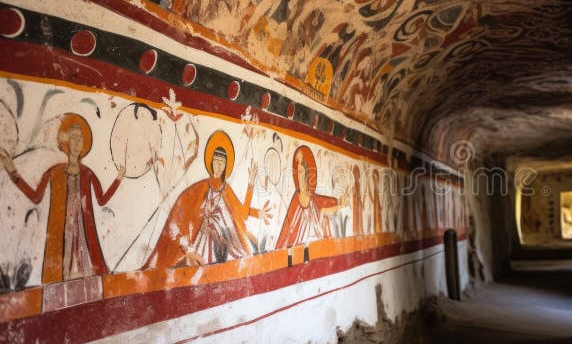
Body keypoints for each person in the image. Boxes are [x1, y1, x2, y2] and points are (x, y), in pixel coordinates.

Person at [0, 113, 125, 283]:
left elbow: (102, 200)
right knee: (60, 281)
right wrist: (13, 172)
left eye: (80, 138)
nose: (77, 142)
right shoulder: (55, 171)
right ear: (66, 142)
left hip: (84, 238)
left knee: (88, 281)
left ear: (84, 144)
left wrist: (118, 178)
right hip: (60, 237)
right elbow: (36, 197)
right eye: (73, 137)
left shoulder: (88, 174)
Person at [144, 130, 270, 268]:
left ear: (226, 166)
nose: (218, 166)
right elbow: (184, 214)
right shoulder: (200, 188)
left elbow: (241, 213)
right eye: (216, 161)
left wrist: (251, 188)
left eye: (222, 162)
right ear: (211, 162)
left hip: (224, 242)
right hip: (201, 239)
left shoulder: (226, 189)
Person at [275, 145, 341, 248]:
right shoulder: (296, 200)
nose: (299, 174)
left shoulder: (313, 199)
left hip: (315, 247)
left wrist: (339, 203)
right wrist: (278, 250)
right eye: (298, 170)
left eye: (302, 170)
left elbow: (331, 203)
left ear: (308, 172)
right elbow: (286, 230)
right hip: (297, 252)